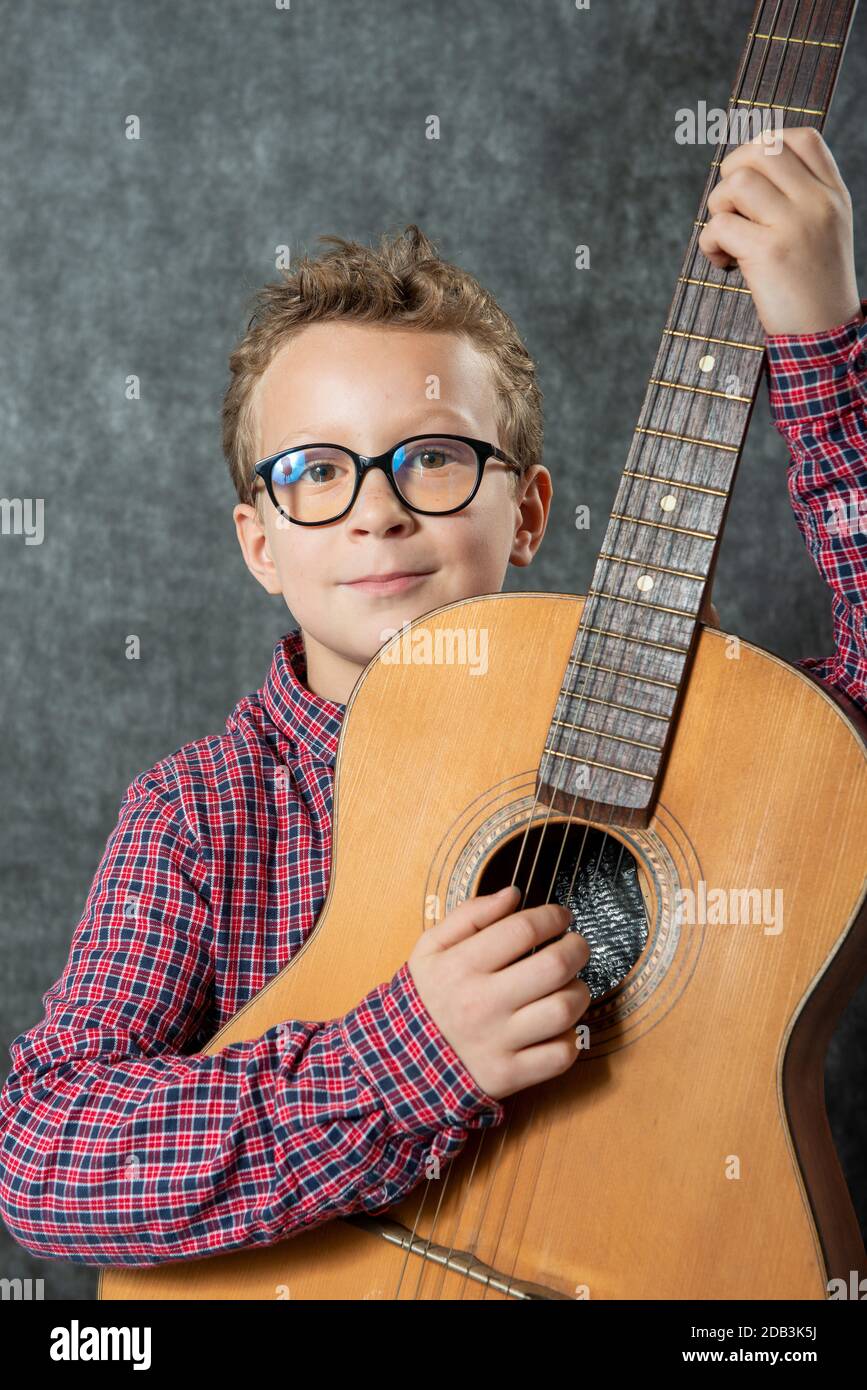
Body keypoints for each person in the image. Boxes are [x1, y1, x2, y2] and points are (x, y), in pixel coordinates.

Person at [0, 128, 864, 1267]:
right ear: (259, 544)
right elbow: (43, 1153)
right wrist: (407, 1057)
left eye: (436, 458)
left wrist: (824, 347)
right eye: (317, 471)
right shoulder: (202, 817)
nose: (378, 512)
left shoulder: (702, 739)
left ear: (531, 510)